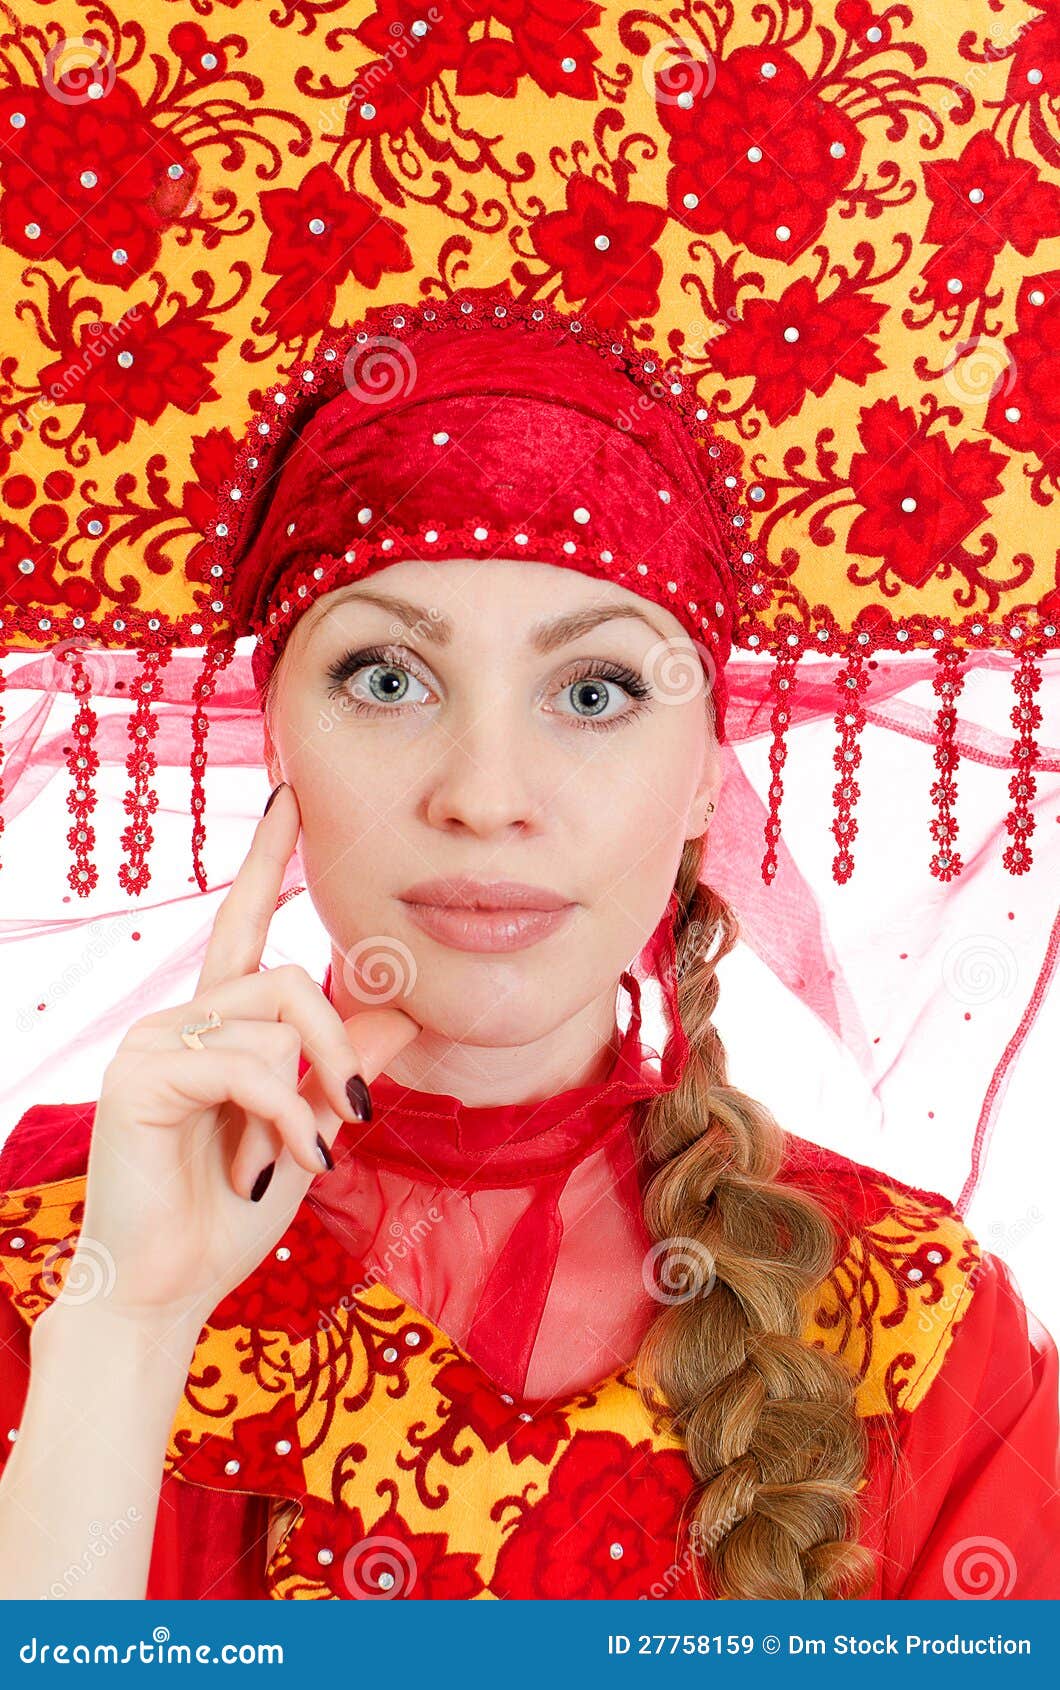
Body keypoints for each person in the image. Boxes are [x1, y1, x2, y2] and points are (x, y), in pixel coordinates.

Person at [0, 286, 1056, 1602]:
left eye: (598, 691)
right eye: (387, 677)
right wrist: (128, 1330)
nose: (487, 792)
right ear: (272, 732)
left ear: (702, 784)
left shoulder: (918, 1333)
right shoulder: (43, 1252)